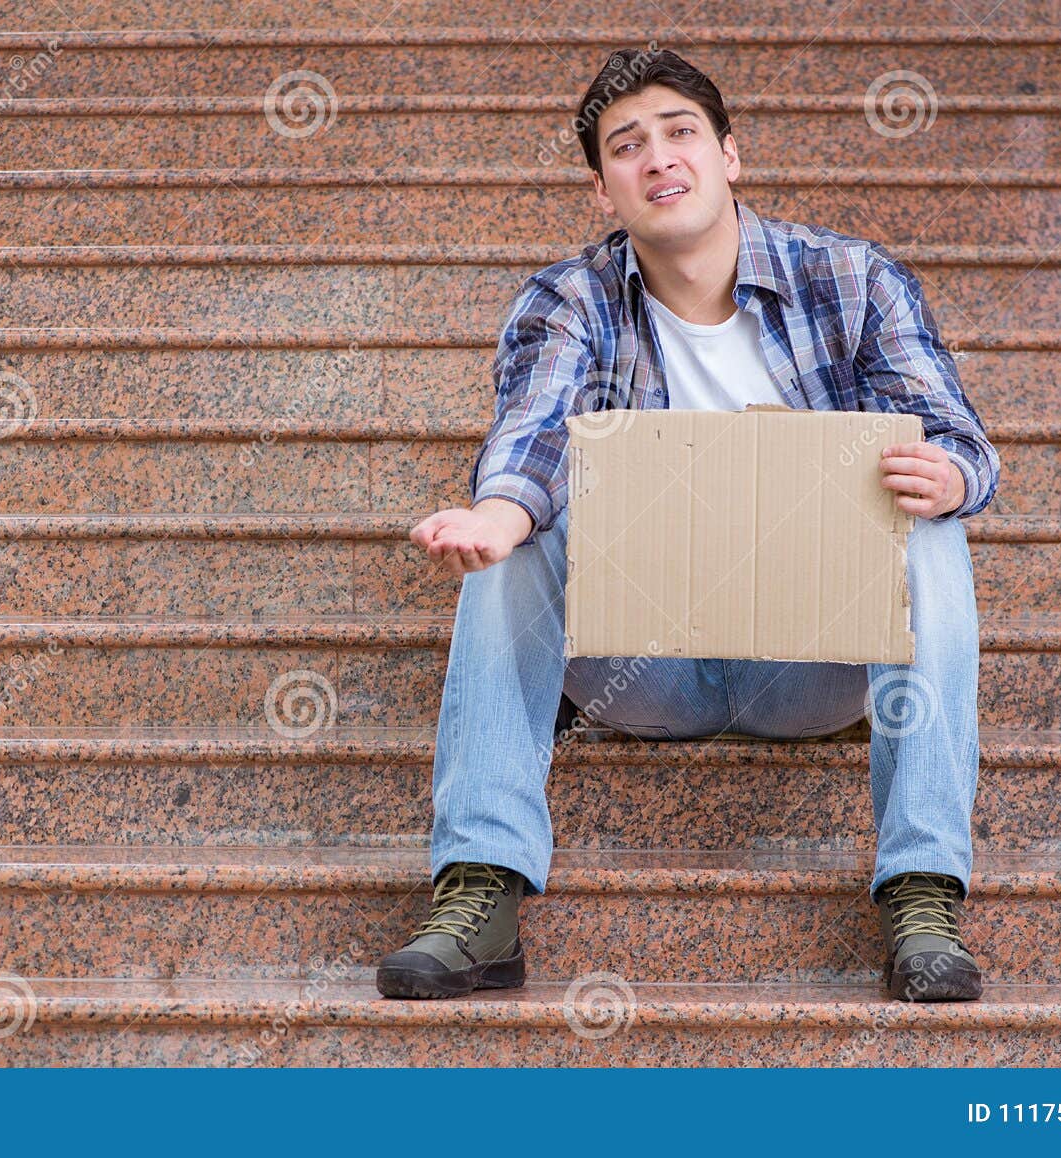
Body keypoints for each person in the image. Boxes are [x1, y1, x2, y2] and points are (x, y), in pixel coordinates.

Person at [374, 48, 999, 1004]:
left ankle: (921, 891)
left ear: (729, 155)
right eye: (628, 146)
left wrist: (950, 474)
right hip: (643, 668)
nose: (658, 158)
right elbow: (535, 433)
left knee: (932, 528)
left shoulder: (853, 277)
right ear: (602, 188)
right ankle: (481, 893)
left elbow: (960, 437)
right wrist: (497, 517)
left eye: (680, 134)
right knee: (516, 542)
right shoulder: (570, 298)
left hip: (815, 668)